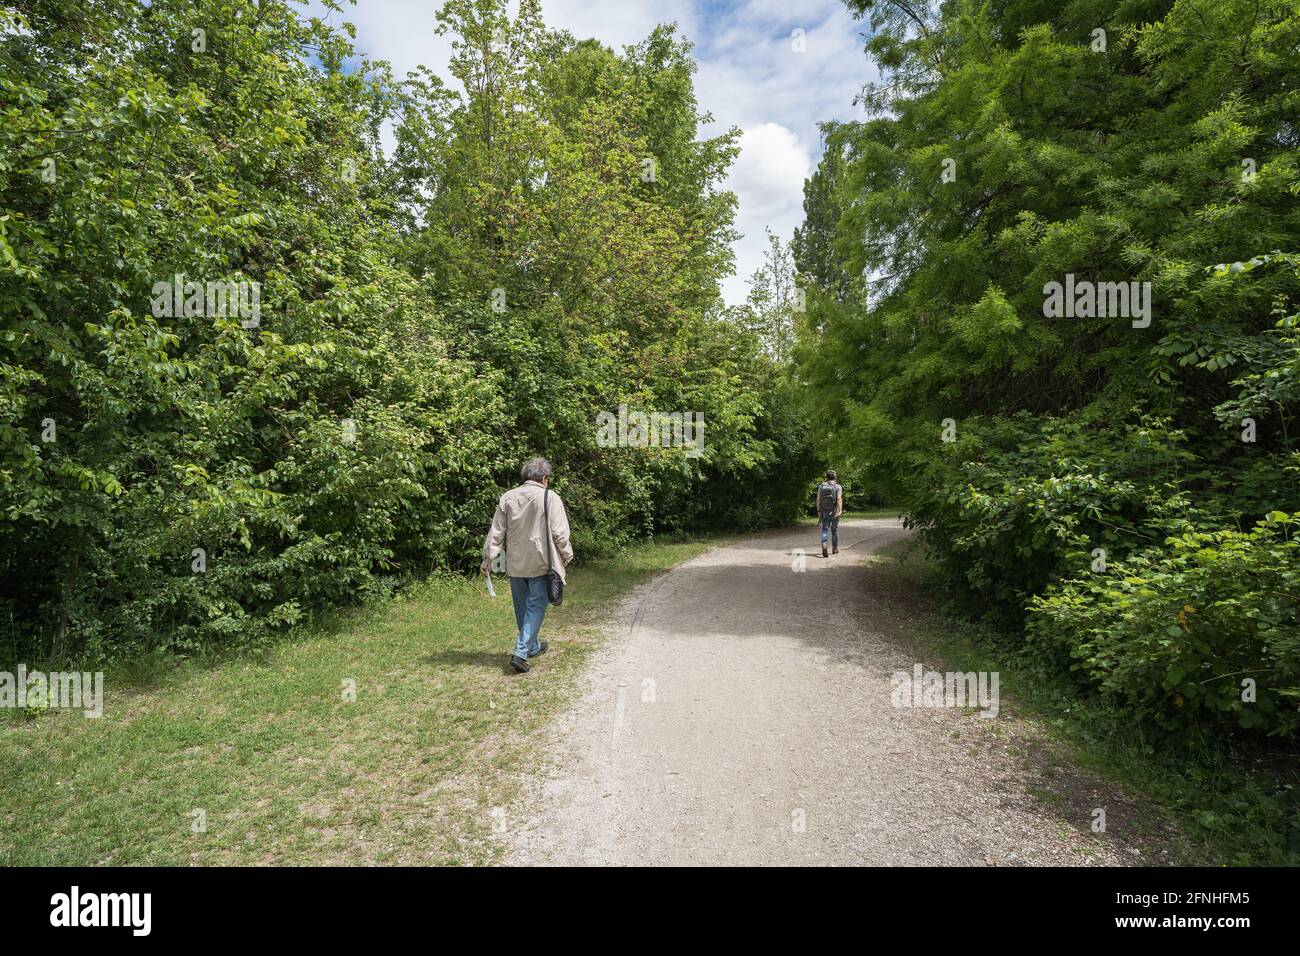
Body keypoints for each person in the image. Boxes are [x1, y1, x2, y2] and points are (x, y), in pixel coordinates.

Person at [481, 457, 574, 673]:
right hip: (542, 562)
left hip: (515, 564)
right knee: (534, 609)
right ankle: (521, 652)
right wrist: (567, 555)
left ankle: (533, 646)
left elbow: (495, 534)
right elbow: (560, 533)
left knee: (522, 609)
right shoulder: (549, 497)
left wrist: (488, 560)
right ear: (544, 478)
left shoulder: (508, 497)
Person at [816, 469, 843, 558]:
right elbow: (839, 499)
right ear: (835, 477)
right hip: (834, 511)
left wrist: (818, 510)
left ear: (826, 477)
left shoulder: (822, 486)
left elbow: (818, 499)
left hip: (824, 511)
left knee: (825, 529)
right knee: (834, 530)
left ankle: (824, 545)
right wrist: (840, 510)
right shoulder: (838, 487)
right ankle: (835, 548)